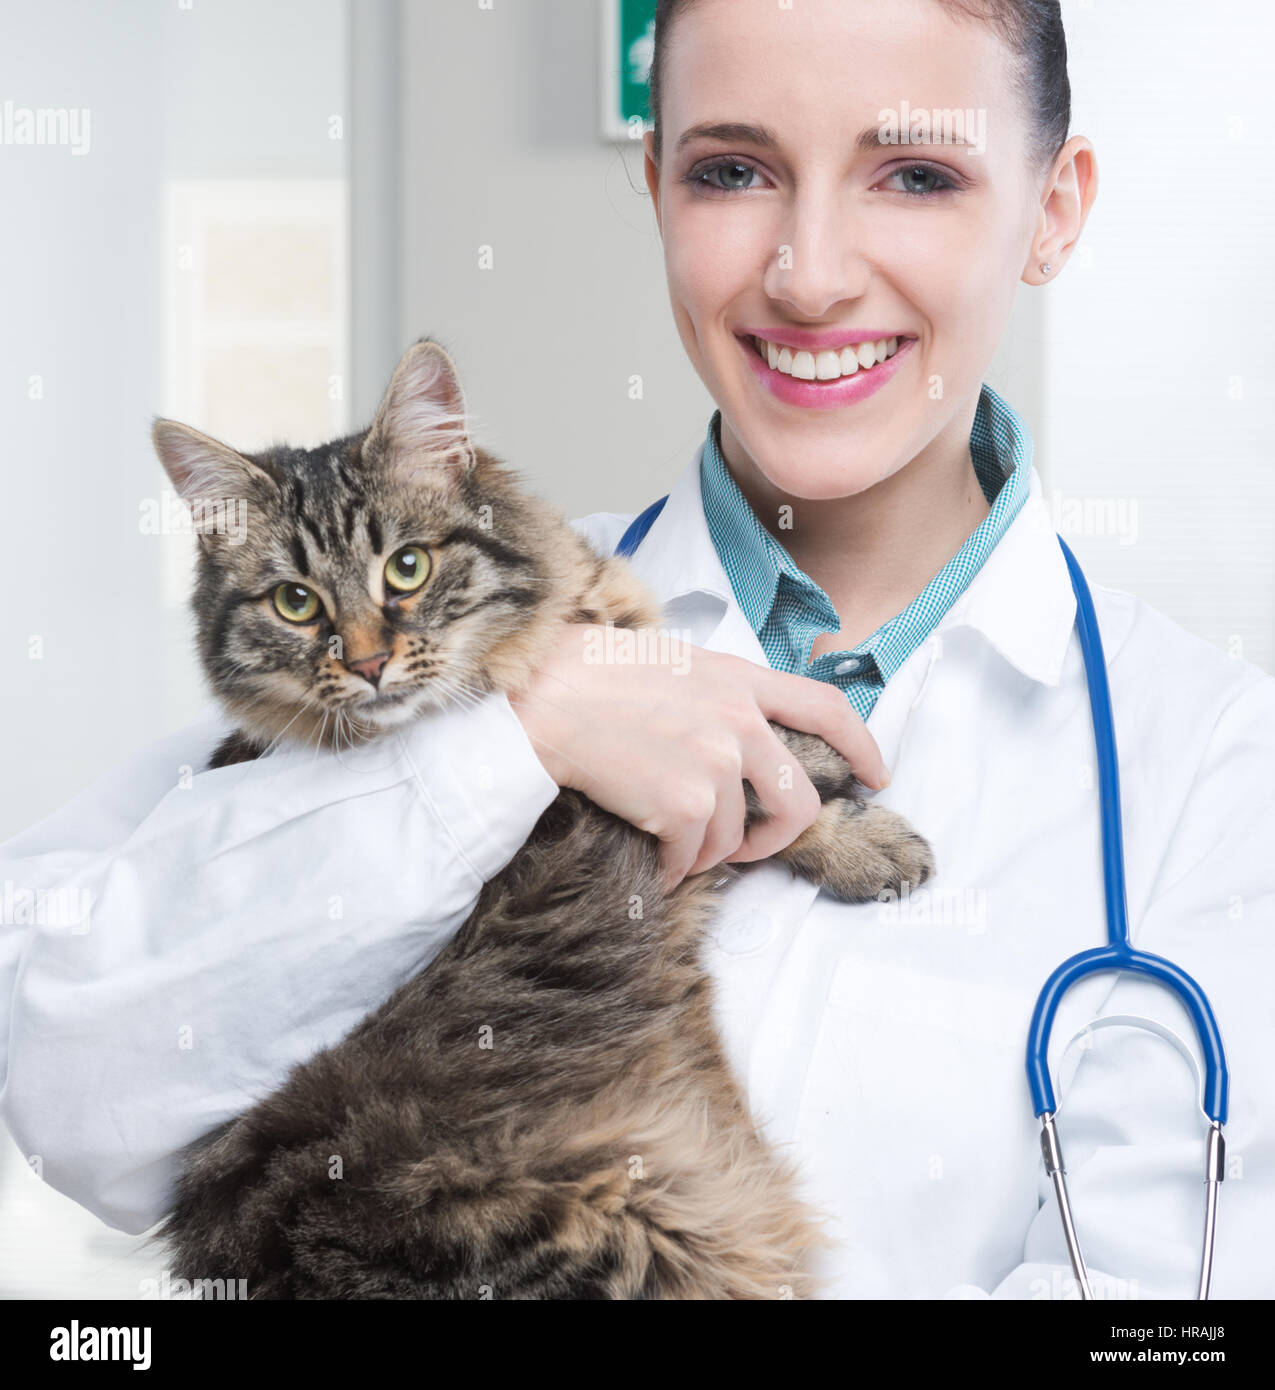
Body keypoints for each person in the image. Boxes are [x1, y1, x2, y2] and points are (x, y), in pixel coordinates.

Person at [2, 0, 1272, 1298]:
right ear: (657, 186)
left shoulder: (1215, 762)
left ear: (1054, 209)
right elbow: (66, 1072)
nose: (811, 271)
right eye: (733, 170)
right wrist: (522, 734)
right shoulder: (431, 656)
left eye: (916, 174)